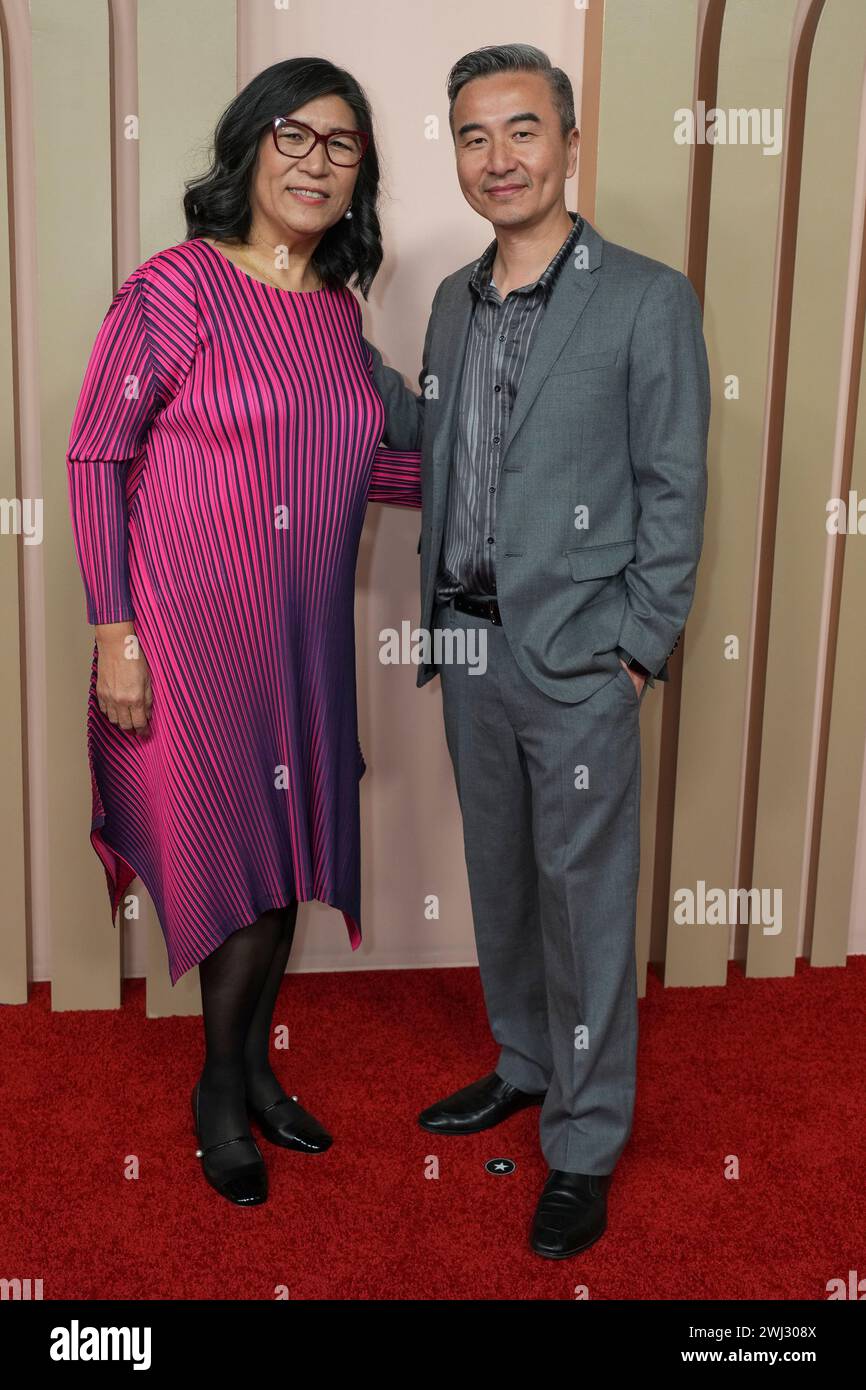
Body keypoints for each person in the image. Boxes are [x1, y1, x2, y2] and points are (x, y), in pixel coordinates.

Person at [368, 43, 711, 1258]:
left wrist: (636, 649)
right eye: (473, 136)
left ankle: (583, 1139)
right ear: (456, 155)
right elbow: (434, 443)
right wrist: (324, 334)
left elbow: (673, 488)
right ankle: (523, 1059)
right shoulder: (453, 303)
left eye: (521, 130)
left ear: (567, 142)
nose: (497, 157)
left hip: (577, 662)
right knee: (503, 878)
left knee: (584, 904)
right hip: (466, 645)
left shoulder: (646, 299)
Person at [66, 57, 420, 1207]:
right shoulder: (176, 287)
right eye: (293, 134)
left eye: (341, 144)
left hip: (301, 639)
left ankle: (253, 1069)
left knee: (284, 862)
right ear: (249, 146)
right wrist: (114, 636)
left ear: (359, 173)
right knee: (239, 858)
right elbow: (95, 455)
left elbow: (354, 464)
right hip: (187, 634)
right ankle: (220, 1089)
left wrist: (499, 481)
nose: (316, 160)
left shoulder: (334, 313)